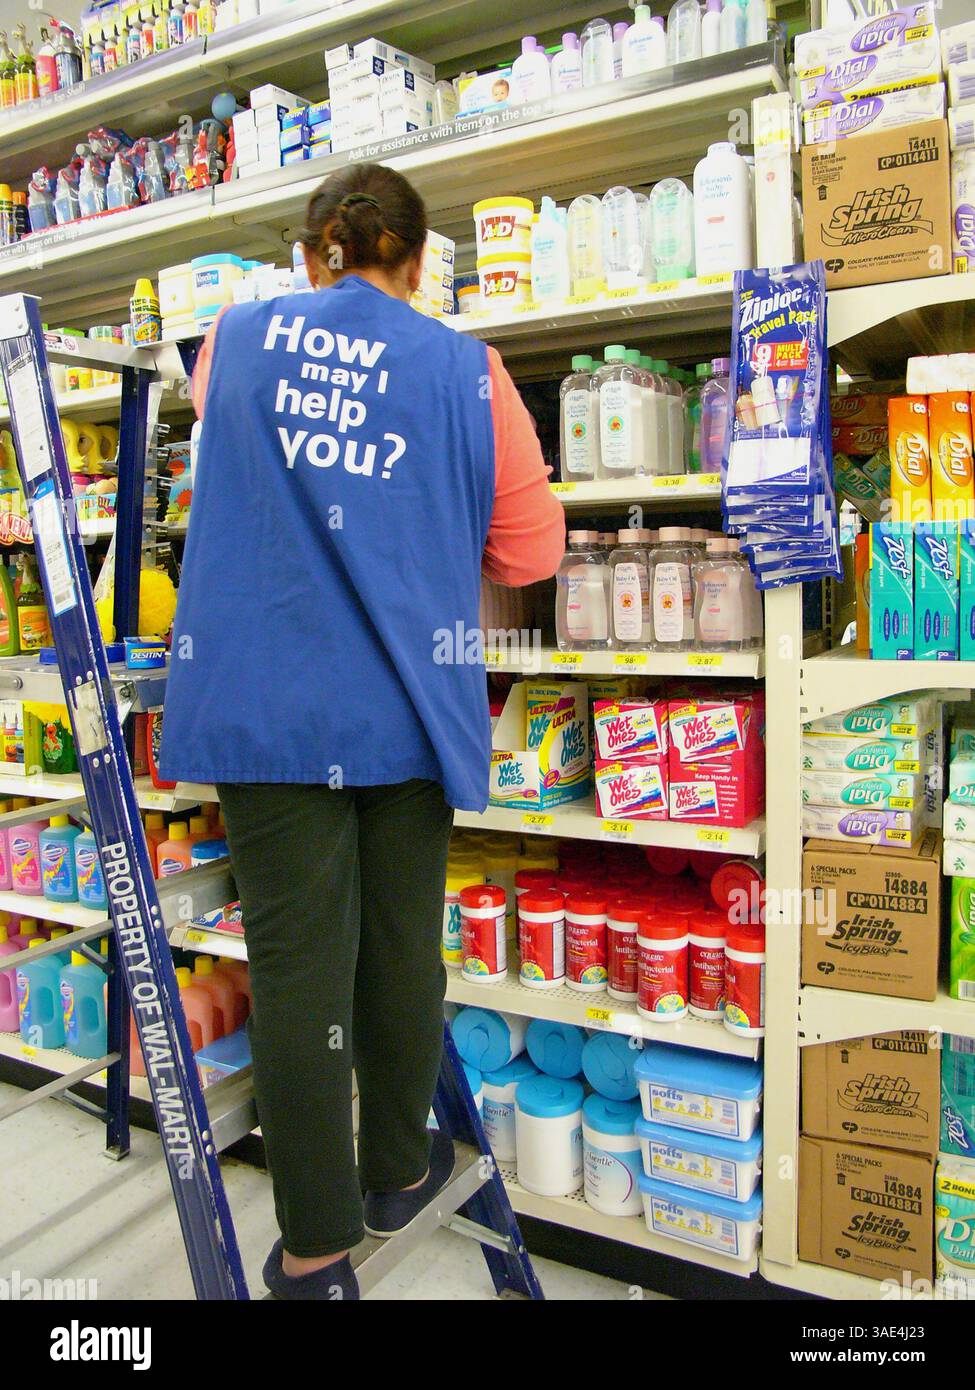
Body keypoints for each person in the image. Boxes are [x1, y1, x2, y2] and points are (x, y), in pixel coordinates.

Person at [160, 162, 565, 1299]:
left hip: (269, 707)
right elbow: (532, 557)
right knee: (399, 951)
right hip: (406, 705)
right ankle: (396, 1170)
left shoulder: (230, 339)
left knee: (297, 974)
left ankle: (313, 1250)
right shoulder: (468, 372)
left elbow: (238, 454)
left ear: (310, 252)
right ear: (421, 261)